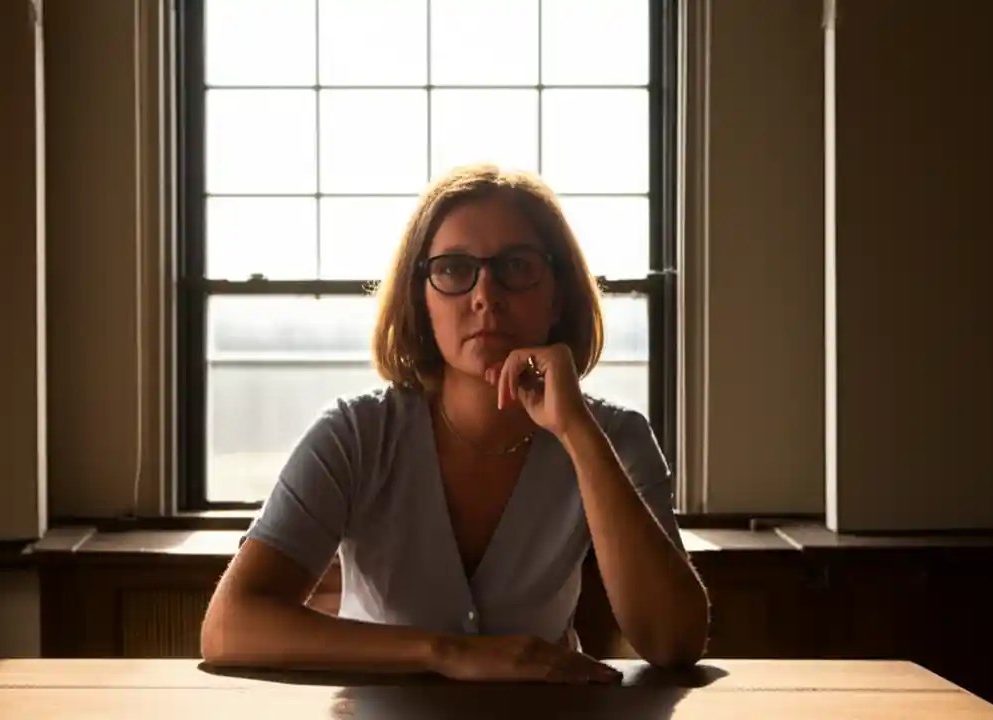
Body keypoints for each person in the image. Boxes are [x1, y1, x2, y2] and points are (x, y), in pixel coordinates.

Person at [201, 165, 709, 684]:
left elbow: (672, 643)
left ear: (557, 294)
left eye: (517, 266)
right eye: (453, 269)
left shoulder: (615, 436)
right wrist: (443, 652)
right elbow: (228, 628)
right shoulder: (354, 435)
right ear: (421, 298)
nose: (486, 295)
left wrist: (578, 432)